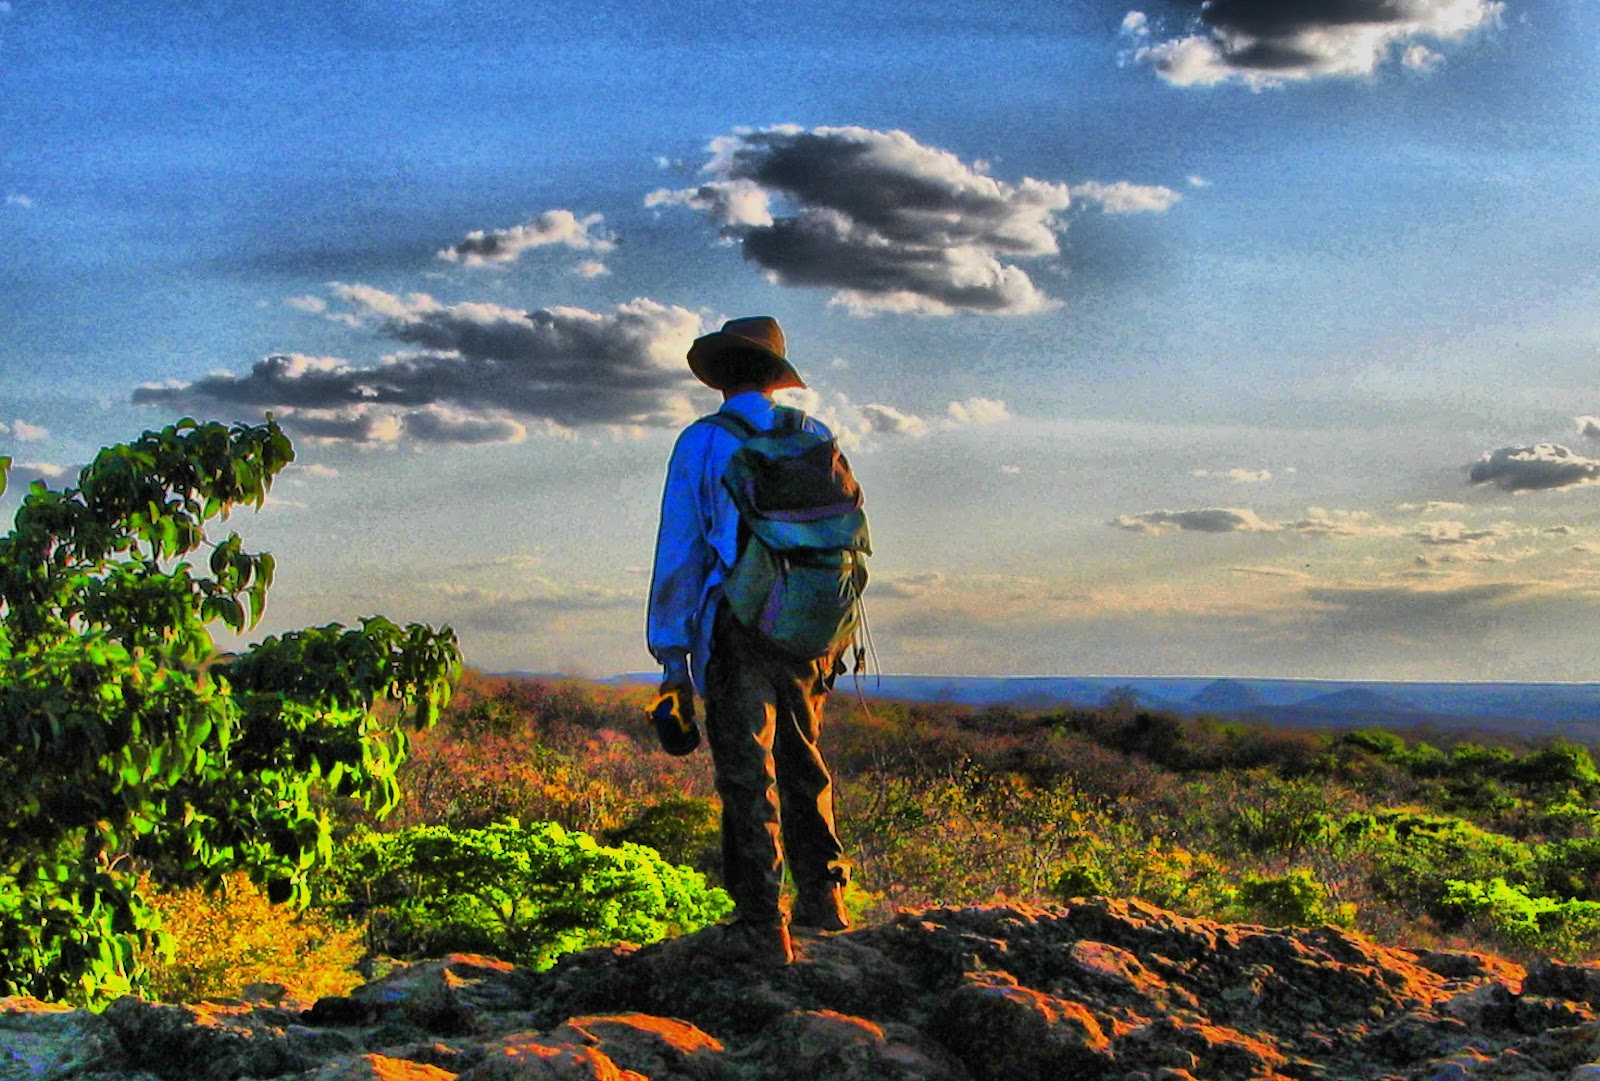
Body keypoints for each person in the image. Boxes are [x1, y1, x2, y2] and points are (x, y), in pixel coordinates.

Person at [647, 316, 852, 967]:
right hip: (810, 623)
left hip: (736, 619)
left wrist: (672, 655)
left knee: (748, 766)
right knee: (803, 757)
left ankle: (763, 921)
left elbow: (681, 551)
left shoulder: (702, 440)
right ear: (773, 376)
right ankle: (825, 897)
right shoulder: (812, 434)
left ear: (720, 375)